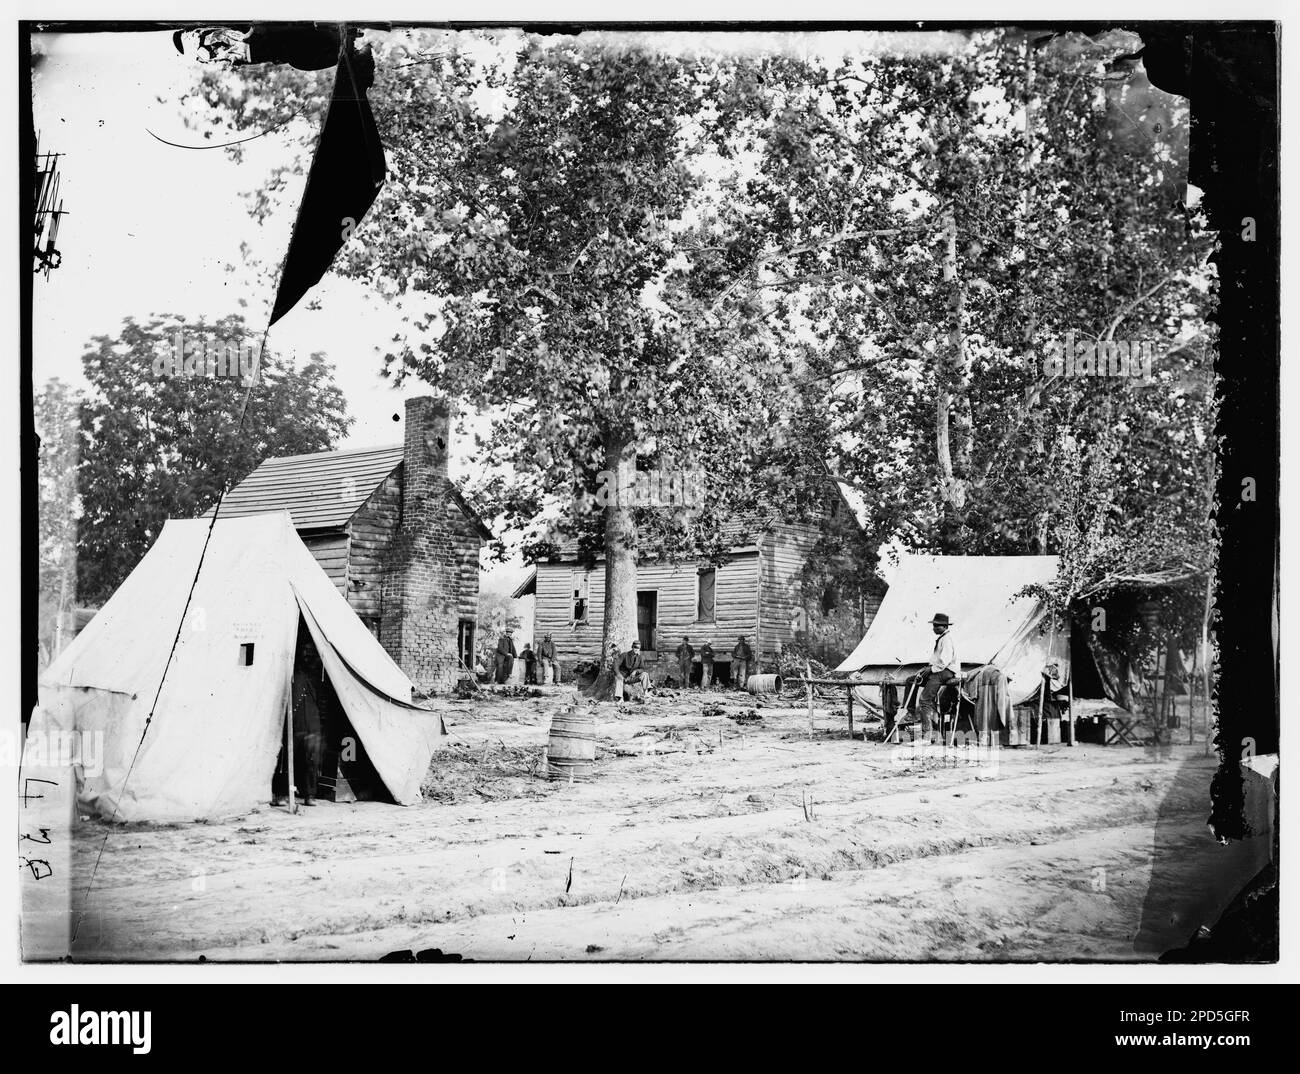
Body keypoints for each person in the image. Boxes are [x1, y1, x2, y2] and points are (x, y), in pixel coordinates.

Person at [274, 647, 322, 807]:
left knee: (311, 759)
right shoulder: (291, 674)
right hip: (293, 722)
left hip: (312, 723)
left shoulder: (317, 677)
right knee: (287, 758)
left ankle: (309, 794)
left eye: (311, 656)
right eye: (305, 655)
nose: (308, 658)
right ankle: (282, 794)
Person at [917, 612, 959, 744]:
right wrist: (927, 668)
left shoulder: (946, 639)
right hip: (940, 669)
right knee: (912, 680)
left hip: (946, 671)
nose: (934, 628)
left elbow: (944, 661)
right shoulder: (942, 638)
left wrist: (931, 669)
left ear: (944, 626)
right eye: (934, 625)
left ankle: (926, 736)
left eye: (936, 626)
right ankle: (910, 712)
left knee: (924, 699)